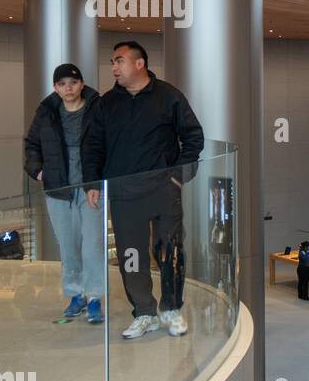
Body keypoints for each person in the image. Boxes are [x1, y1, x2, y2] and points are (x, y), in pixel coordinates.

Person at [82, 41, 204, 340]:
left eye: (119, 61)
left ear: (139, 64)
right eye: (112, 62)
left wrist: (178, 177)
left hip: (163, 191)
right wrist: (92, 183)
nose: (113, 67)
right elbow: (92, 146)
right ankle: (145, 313)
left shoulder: (169, 96)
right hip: (124, 195)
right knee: (131, 256)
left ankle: (172, 309)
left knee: (170, 251)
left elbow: (193, 137)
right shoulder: (106, 103)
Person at [23, 62, 104, 324]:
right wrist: (37, 171)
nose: (68, 88)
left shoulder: (97, 108)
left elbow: (109, 142)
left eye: (73, 82)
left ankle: (94, 298)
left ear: (81, 84)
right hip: (58, 191)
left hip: (91, 188)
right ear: (55, 88)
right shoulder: (46, 113)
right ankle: (75, 294)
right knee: (68, 247)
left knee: (92, 245)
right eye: (62, 84)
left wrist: (101, 179)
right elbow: (31, 144)